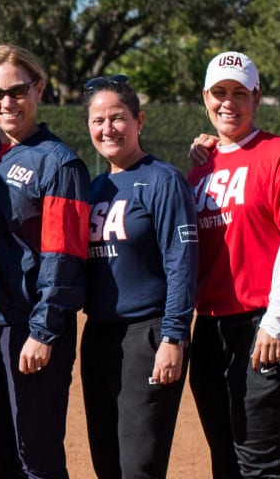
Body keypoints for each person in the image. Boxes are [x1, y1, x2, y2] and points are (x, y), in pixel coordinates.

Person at [185, 51, 280, 478]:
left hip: (264, 327)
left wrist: (277, 323)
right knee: (225, 464)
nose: (228, 103)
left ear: (257, 97)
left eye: (239, 93)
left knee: (264, 468)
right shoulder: (199, 168)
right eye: (219, 93)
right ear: (205, 97)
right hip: (210, 329)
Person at [0, 44, 87, 479]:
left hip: (28, 330)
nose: (6, 103)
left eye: (17, 91)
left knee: (35, 456)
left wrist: (44, 330)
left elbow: (64, 254)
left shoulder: (59, 162)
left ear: (39, 89)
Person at [80, 75, 197, 479]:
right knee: (107, 465)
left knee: (138, 467)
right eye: (98, 120)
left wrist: (173, 336)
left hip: (146, 336)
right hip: (98, 339)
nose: (108, 128)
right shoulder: (94, 188)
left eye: (118, 118)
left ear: (139, 121)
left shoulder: (163, 181)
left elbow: (182, 263)